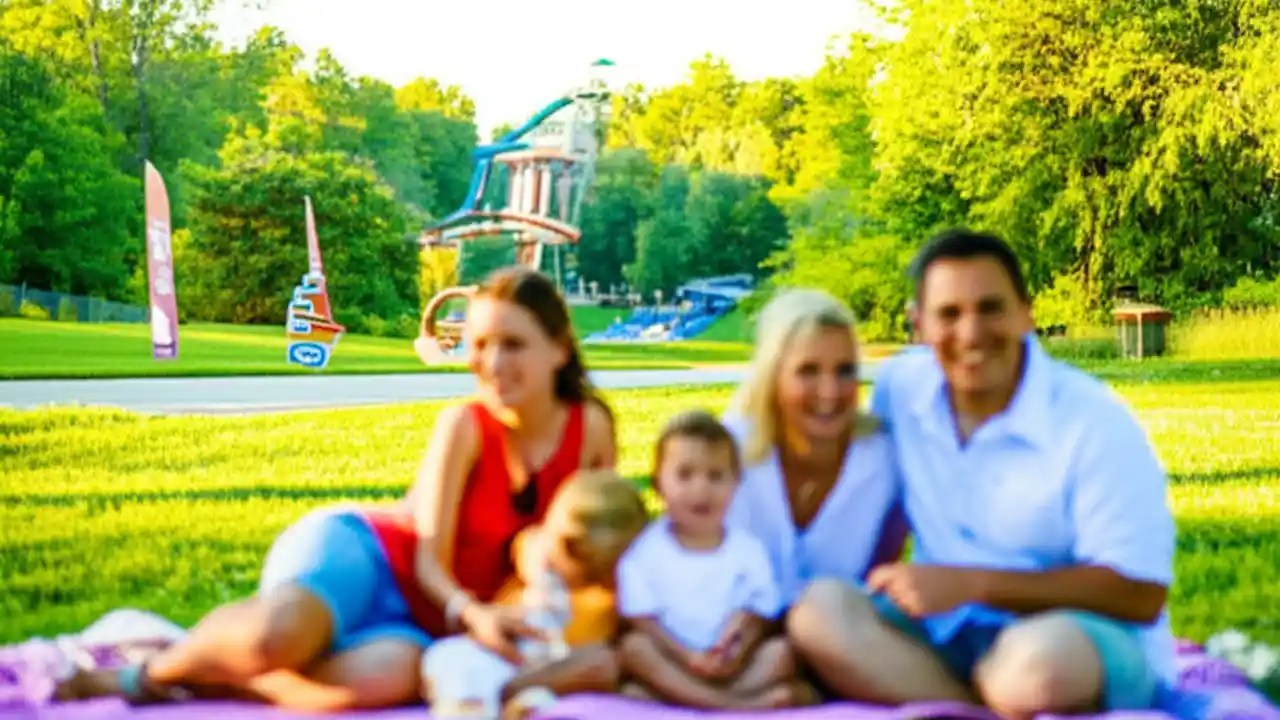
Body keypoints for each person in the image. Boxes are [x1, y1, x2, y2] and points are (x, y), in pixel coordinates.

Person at [57, 266, 618, 711]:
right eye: (480, 343)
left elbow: (604, 549)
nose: (492, 363)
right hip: (369, 554)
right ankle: (140, 675)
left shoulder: (589, 429)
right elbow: (428, 559)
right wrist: (475, 615)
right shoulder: (466, 425)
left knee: (388, 682)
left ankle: (223, 682)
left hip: (433, 621)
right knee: (278, 636)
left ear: (559, 349)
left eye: (513, 344)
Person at [786, 229, 1176, 718]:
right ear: (918, 325)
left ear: (1025, 313)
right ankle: (969, 706)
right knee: (817, 611)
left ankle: (965, 696)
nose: (970, 334)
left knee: (1034, 671)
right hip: (942, 630)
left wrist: (972, 584)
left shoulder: (1093, 421)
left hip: (1073, 636)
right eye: (949, 314)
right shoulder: (900, 389)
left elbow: (1141, 593)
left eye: (990, 308)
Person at [721, 288, 907, 612]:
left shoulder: (883, 461)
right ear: (773, 376)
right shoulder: (726, 450)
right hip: (726, 643)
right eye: (808, 371)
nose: (830, 392)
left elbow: (879, 585)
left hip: (837, 644)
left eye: (845, 370)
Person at [422, 470, 650, 719]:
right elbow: (529, 545)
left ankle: (505, 700)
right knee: (450, 659)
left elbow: (616, 647)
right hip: (504, 655)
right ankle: (482, 705)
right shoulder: (542, 554)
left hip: (554, 668)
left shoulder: (622, 597)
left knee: (599, 666)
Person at [615, 410, 797, 710]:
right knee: (634, 649)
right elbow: (642, 621)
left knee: (783, 653)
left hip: (731, 664)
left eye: (716, 476)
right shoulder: (645, 551)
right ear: (658, 483)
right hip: (674, 657)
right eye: (684, 475)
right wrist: (687, 657)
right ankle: (737, 707)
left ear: (736, 482)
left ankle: (693, 700)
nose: (701, 490)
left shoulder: (747, 549)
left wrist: (737, 645)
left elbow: (760, 609)